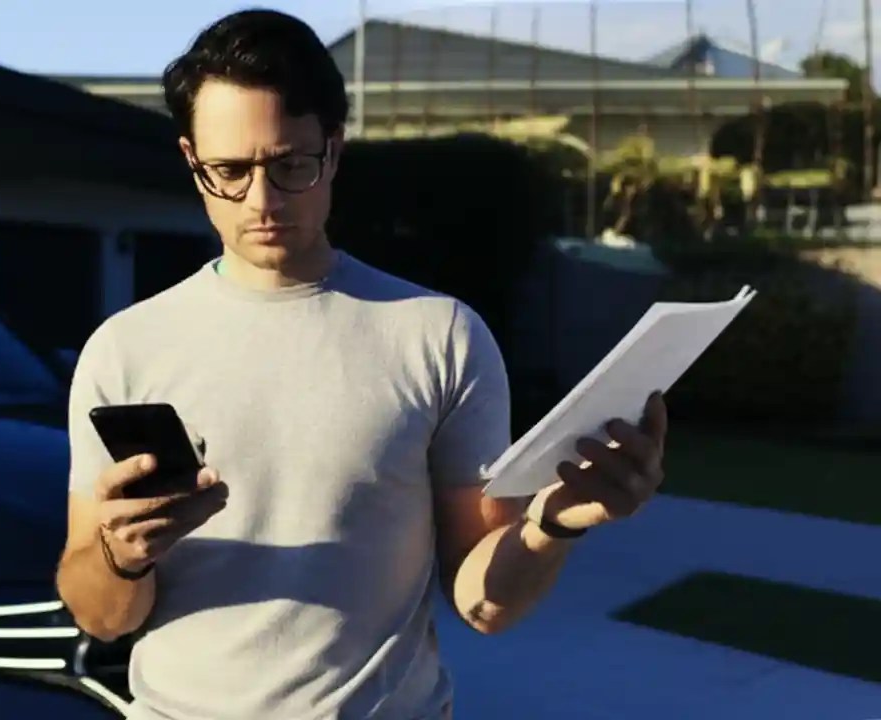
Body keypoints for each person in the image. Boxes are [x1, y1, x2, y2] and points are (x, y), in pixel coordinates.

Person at [55, 9, 668, 720]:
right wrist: (122, 556)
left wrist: (554, 524)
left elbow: (483, 604)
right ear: (193, 161)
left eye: (291, 165)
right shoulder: (127, 349)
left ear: (335, 151)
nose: (262, 200)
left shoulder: (439, 337)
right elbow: (100, 617)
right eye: (228, 171)